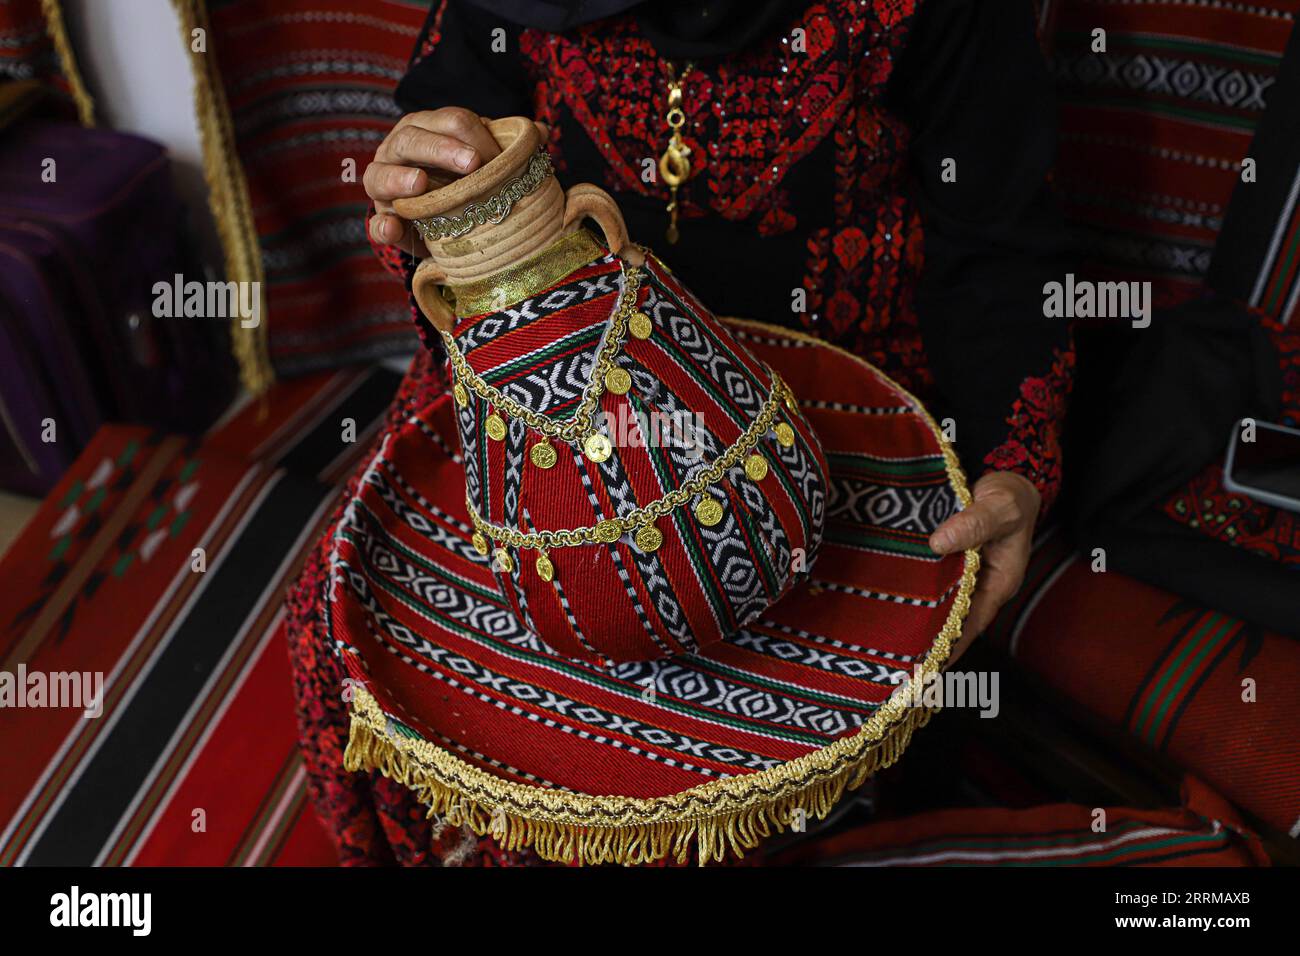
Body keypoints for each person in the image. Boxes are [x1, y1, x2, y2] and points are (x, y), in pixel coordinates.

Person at [293, 0, 1075, 865]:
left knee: (732, 730)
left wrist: (1016, 460)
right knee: (368, 638)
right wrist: (434, 209)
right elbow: (446, 158)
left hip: (822, 381)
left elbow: (999, 244)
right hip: (548, 363)